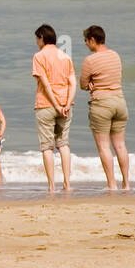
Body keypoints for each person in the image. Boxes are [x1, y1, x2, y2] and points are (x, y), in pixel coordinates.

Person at [80, 25, 130, 191]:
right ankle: (126, 183)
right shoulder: (115, 55)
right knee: (120, 145)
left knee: (104, 146)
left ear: (93, 40)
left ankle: (112, 184)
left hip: (101, 104)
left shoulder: (90, 60)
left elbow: (83, 84)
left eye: (86, 41)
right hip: (120, 102)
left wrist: (92, 85)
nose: (86, 44)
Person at [33, 23, 76, 193]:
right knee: (63, 144)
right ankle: (67, 183)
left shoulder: (39, 56)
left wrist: (56, 105)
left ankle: (51, 186)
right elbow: (72, 82)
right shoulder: (65, 56)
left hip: (45, 105)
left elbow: (45, 84)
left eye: (37, 38)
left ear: (42, 38)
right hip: (66, 106)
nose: (36, 42)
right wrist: (66, 103)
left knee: (46, 147)